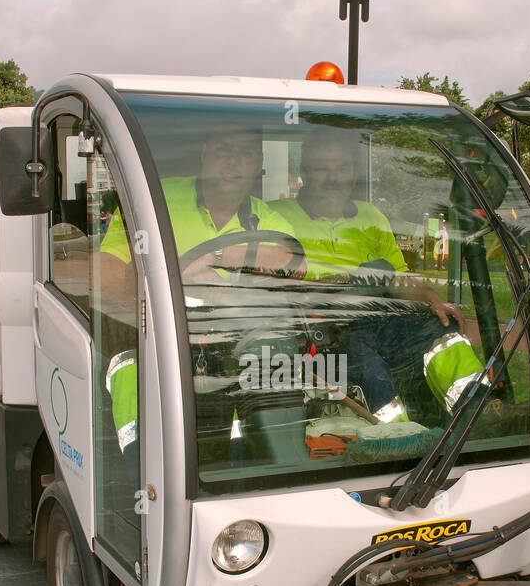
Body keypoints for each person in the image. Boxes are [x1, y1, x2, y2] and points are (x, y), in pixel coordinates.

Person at [98, 128, 296, 483]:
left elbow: (293, 260)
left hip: (231, 346)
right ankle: (151, 488)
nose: (234, 161)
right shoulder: (154, 200)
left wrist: (217, 255)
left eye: (246, 153)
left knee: (272, 365)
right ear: (204, 154)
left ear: (259, 165)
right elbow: (107, 273)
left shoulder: (265, 218)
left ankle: (270, 480)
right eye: (223, 148)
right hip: (153, 337)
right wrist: (164, 295)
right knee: (132, 376)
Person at [269, 131, 483, 423]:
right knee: (366, 368)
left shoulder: (372, 217)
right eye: (322, 168)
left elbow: (398, 278)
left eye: (343, 167)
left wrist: (433, 300)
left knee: (440, 333)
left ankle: (479, 413)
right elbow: (269, 286)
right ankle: (398, 440)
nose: (334, 177)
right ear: (304, 172)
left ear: (354, 172)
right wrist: (345, 283)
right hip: (323, 333)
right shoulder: (275, 217)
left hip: (380, 318)